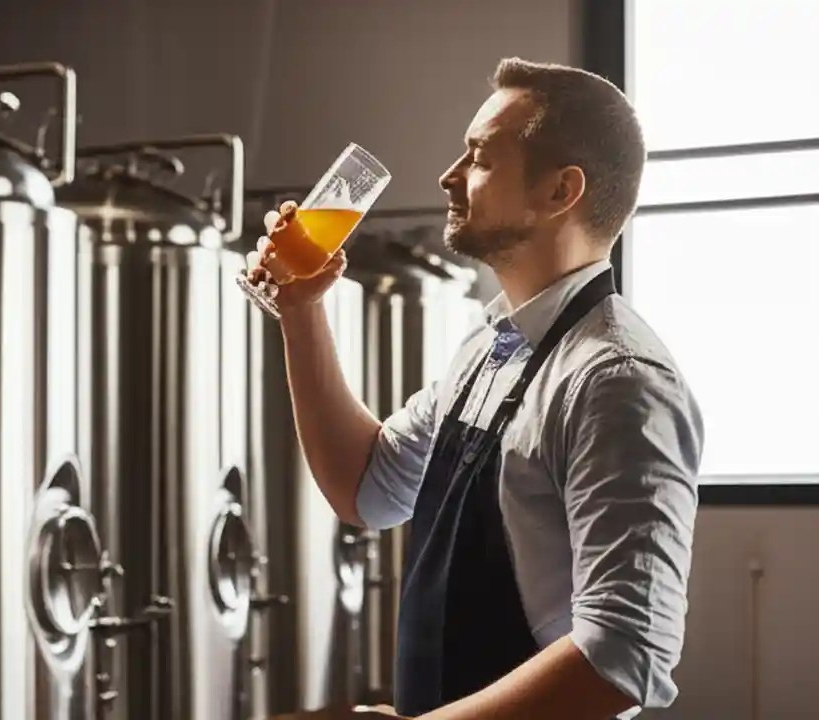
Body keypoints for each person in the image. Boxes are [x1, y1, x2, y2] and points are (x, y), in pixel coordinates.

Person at [243, 57, 703, 720]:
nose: (448, 176)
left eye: (479, 156)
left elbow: (622, 657)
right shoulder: (489, 349)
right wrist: (301, 310)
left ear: (559, 191)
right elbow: (364, 488)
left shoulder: (616, 380)